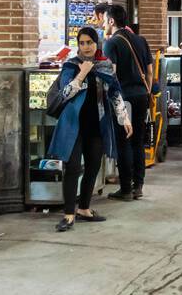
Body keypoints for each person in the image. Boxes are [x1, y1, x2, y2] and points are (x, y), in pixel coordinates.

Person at [46, 26, 132, 232]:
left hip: (96, 125)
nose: (86, 47)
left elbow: (115, 93)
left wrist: (124, 118)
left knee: (93, 166)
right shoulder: (71, 66)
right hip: (73, 125)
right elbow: (65, 94)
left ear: (97, 43)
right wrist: (81, 75)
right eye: (82, 43)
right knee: (72, 168)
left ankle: (84, 208)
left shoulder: (105, 65)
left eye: (90, 42)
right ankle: (68, 215)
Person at [103, 4, 152, 201]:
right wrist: (146, 91)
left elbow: (111, 74)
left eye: (104, 20)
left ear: (112, 21)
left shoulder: (112, 43)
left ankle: (125, 189)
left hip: (123, 98)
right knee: (138, 141)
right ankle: (138, 185)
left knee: (124, 142)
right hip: (141, 96)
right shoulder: (141, 40)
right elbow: (149, 71)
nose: (103, 24)